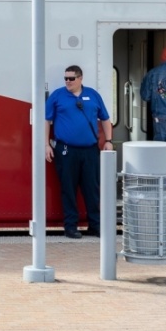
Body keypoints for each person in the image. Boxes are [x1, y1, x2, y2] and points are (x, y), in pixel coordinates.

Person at [44, 65, 113, 239]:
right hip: (66, 149)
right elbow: (46, 121)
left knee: (92, 188)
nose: (68, 81)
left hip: (90, 150)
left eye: (71, 78)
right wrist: (46, 144)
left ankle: (96, 226)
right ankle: (71, 226)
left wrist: (109, 141)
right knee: (68, 188)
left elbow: (105, 118)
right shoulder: (57, 96)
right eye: (65, 78)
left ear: (80, 78)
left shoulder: (93, 95)